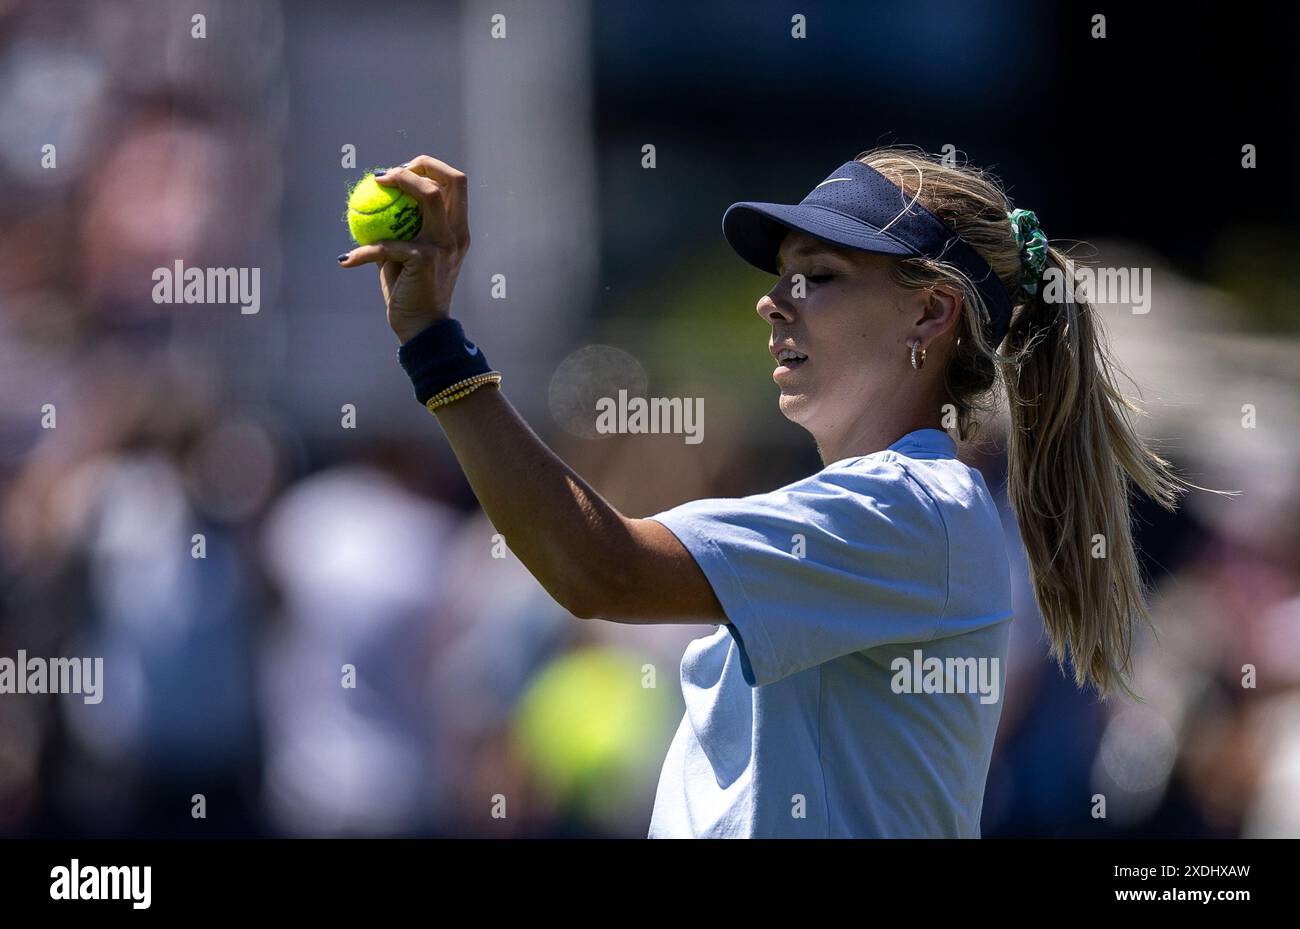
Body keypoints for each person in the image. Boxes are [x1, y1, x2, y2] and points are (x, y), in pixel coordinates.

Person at [338, 148, 1191, 838]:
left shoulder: (913, 506)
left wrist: (435, 346)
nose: (771, 302)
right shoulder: (899, 505)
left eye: (817, 275)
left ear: (931, 316)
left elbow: (601, 569)